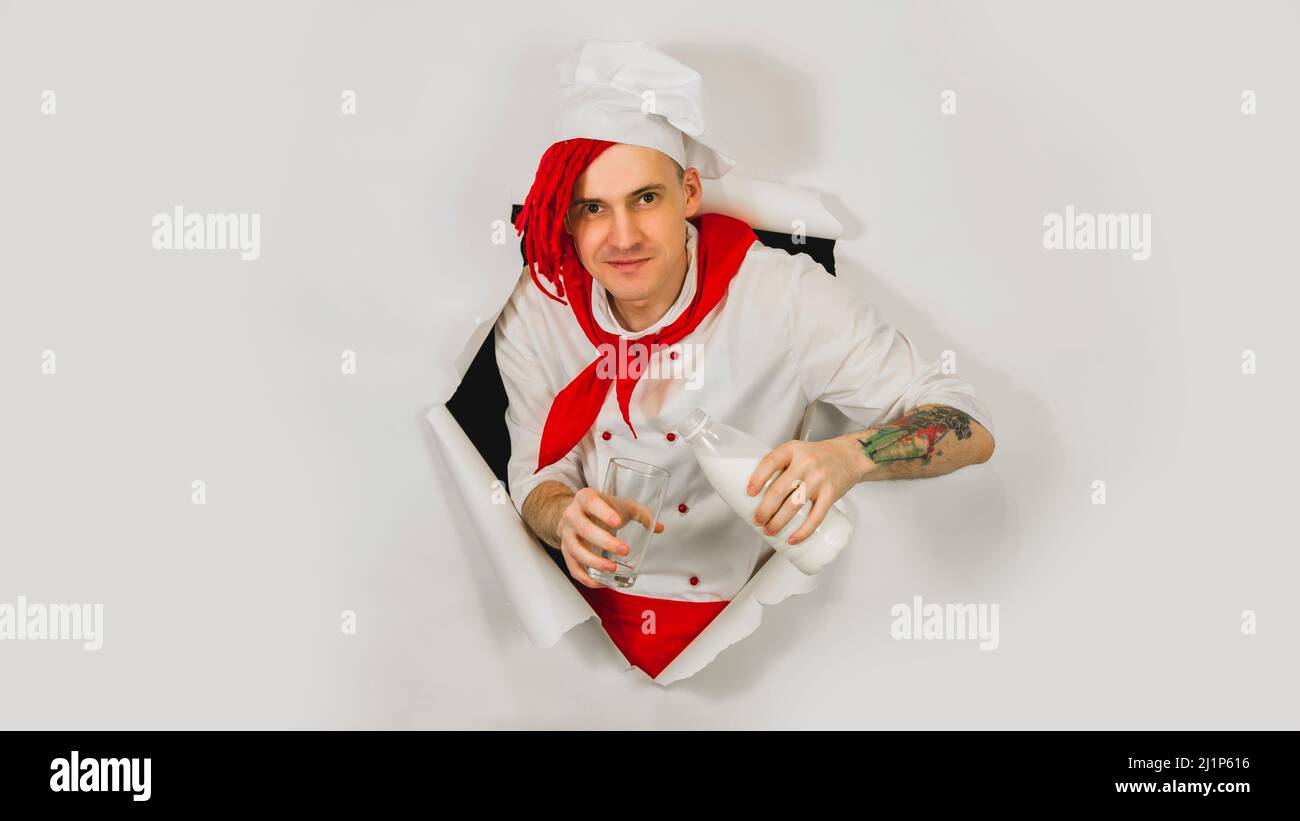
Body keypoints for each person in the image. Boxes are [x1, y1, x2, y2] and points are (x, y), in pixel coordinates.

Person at [494, 40, 995, 679]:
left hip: (745, 634)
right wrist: (561, 514)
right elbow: (534, 476)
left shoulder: (780, 297)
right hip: (579, 625)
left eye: (646, 198)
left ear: (690, 192)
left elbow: (969, 425)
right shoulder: (539, 307)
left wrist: (850, 457)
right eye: (593, 208)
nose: (622, 237)